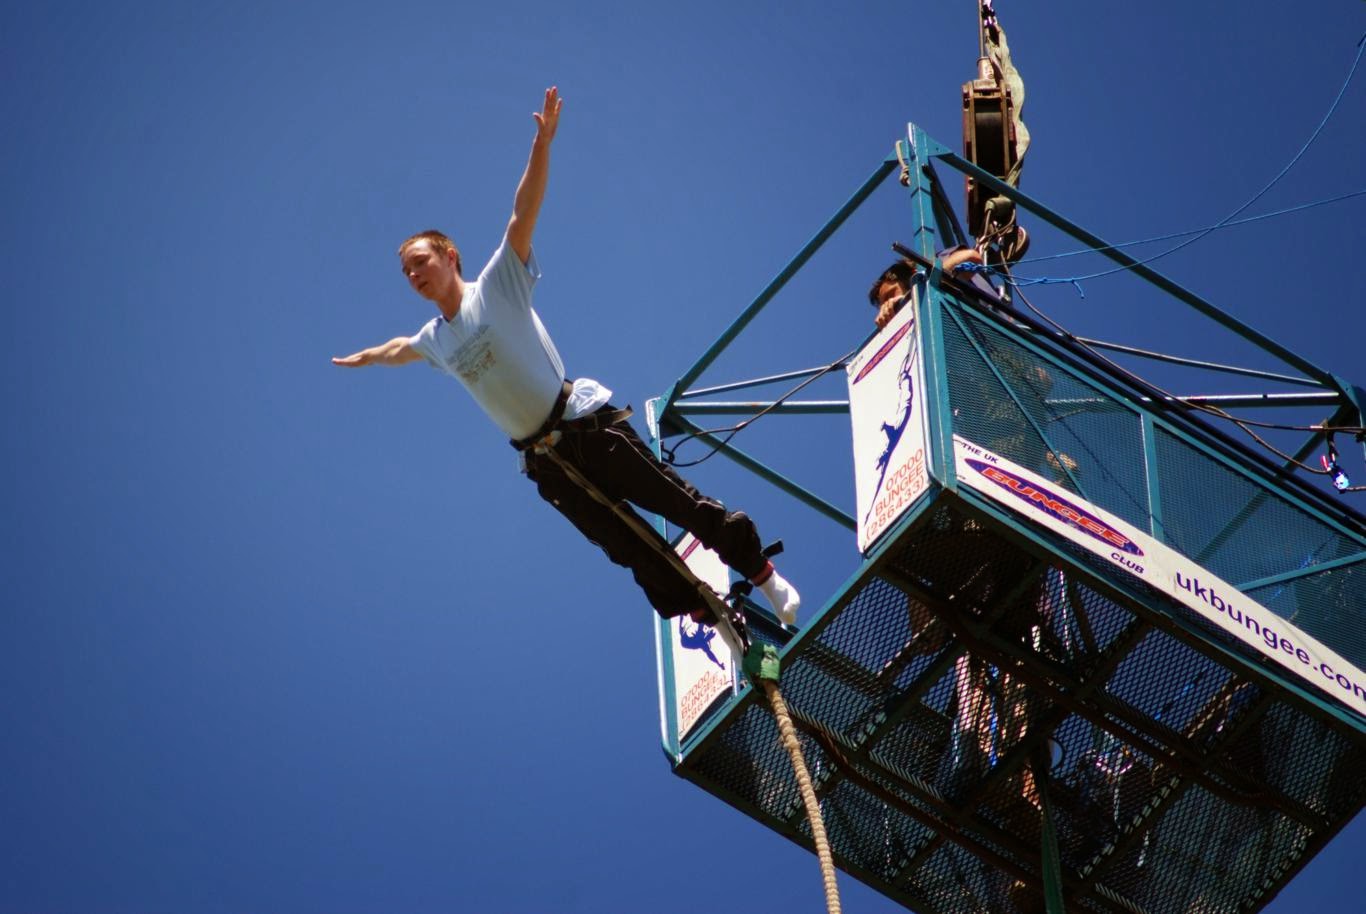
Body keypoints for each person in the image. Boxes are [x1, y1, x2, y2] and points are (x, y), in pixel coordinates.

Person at [332, 87, 800, 627]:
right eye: (406, 273)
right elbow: (397, 350)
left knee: (677, 502)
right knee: (633, 552)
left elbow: (522, 211)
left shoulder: (497, 286)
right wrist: (364, 357)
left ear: (449, 255)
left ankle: (763, 576)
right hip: (547, 464)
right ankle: (717, 622)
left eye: (420, 262)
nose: (414, 277)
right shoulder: (435, 340)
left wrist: (543, 142)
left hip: (583, 426)